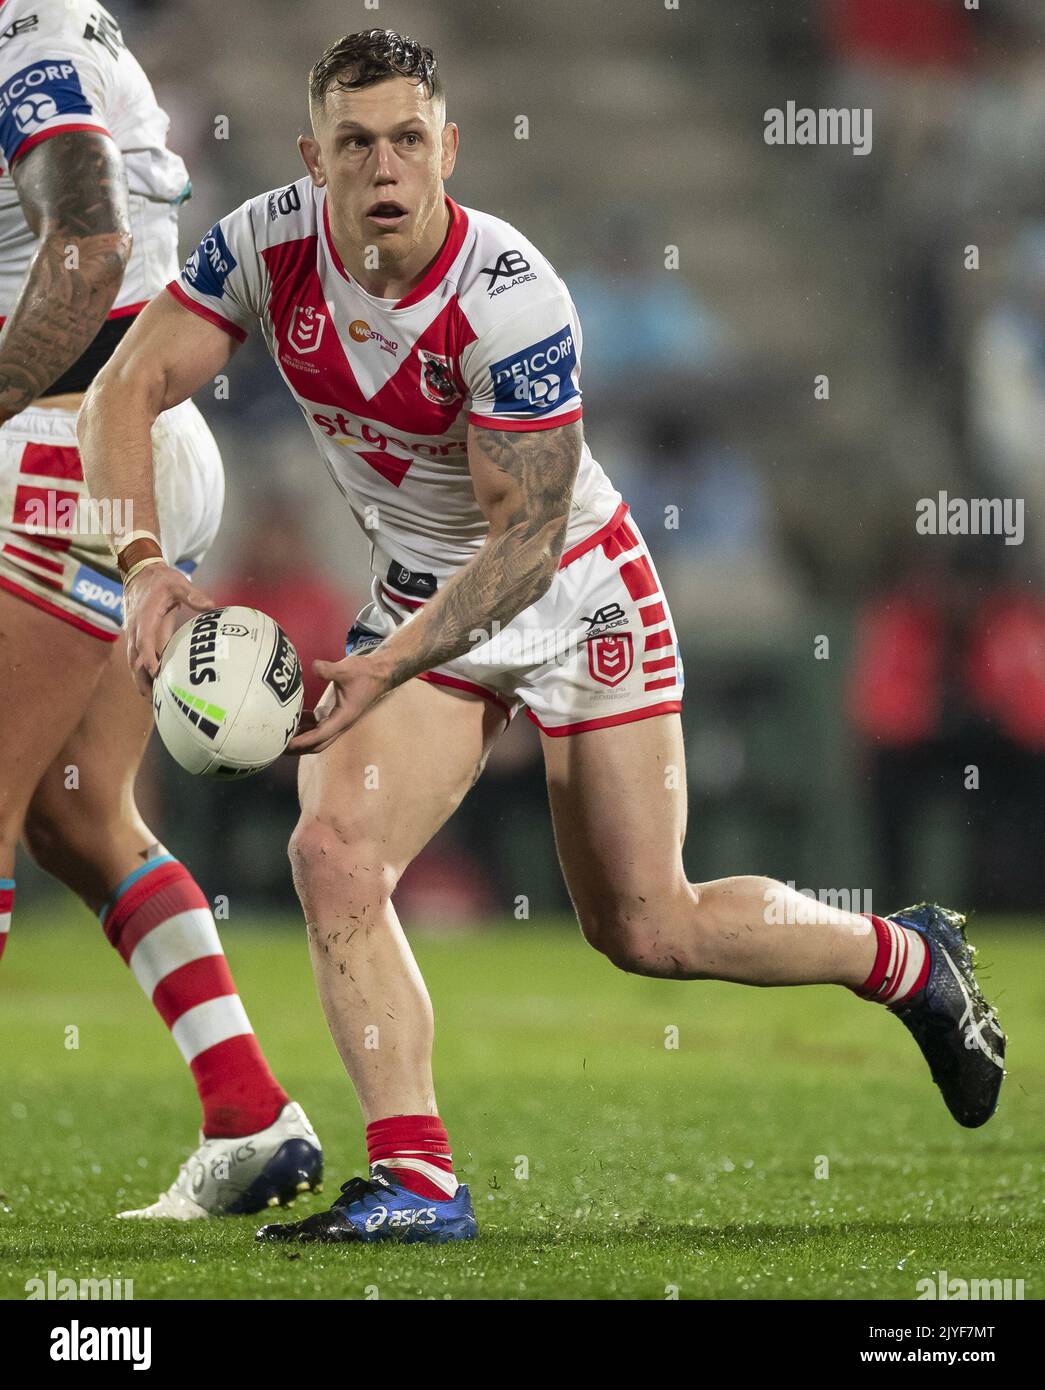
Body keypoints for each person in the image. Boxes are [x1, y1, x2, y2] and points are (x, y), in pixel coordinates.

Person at [80, 28, 1004, 1246]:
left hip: (575, 594)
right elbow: (120, 391)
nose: (383, 167)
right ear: (312, 159)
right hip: (422, 596)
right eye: (354, 143)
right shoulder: (265, 245)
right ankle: (416, 1181)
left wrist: (384, 661)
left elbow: (520, 549)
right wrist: (145, 573)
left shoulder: (508, 297)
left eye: (408, 137)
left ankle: (902, 957)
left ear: (449, 147)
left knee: (645, 926)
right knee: (335, 854)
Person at [0, 0, 321, 1218]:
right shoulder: (54, 29)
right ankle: (248, 1112)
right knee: (83, 821)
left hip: (60, 449)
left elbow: (84, 251)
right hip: (120, 445)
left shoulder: (23, 40)